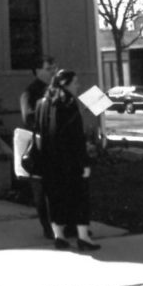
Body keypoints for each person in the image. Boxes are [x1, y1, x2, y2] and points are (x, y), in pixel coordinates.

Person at [34, 68, 101, 251]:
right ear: (66, 84)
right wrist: (84, 162)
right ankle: (83, 237)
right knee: (80, 197)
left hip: (49, 161)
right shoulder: (69, 104)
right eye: (75, 82)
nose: (78, 85)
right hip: (70, 161)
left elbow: (39, 133)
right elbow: (76, 138)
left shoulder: (42, 103)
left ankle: (59, 236)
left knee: (55, 199)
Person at [19, 55, 58, 240]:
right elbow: (28, 118)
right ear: (38, 71)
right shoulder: (30, 92)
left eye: (55, 68)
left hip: (57, 146)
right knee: (42, 191)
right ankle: (48, 227)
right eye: (49, 68)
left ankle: (68, 225)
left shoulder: (57, 90)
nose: (54, 72)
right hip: (40, 148)